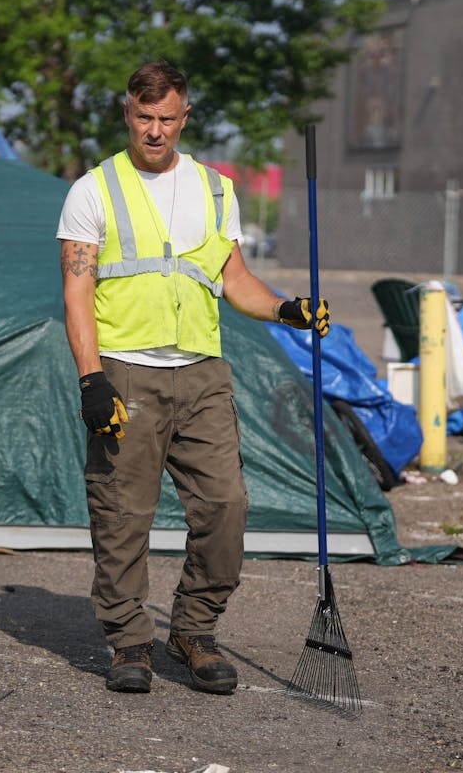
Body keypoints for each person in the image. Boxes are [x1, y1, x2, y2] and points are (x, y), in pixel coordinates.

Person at [57, 60, 329, 695]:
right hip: (127, 372)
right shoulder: (93, 190)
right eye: (143, 117)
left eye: (166, 118)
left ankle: (194, 631)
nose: (154, 130)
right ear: (127, 113)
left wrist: (285, 309)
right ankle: (130, 642)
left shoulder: (216, 189)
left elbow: (235, 279)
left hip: (202, 374)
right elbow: (76, 291)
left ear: (185, 117)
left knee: (226, 506)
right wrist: (92, 379)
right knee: (123, 515)